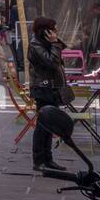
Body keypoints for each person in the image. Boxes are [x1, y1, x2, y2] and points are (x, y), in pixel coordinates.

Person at [28, 17, 71, 172]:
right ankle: (39, 160)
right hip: (43, 89)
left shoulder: (44, 43)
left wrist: (55, 42)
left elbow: (61, 52)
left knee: (49, 125)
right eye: (53, 29)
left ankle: (48, 159)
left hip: (51, 88)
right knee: (43, 125)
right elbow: (52, 62)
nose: (56, 31)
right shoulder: (35, 45)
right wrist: (54, 44)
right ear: (45, 30)